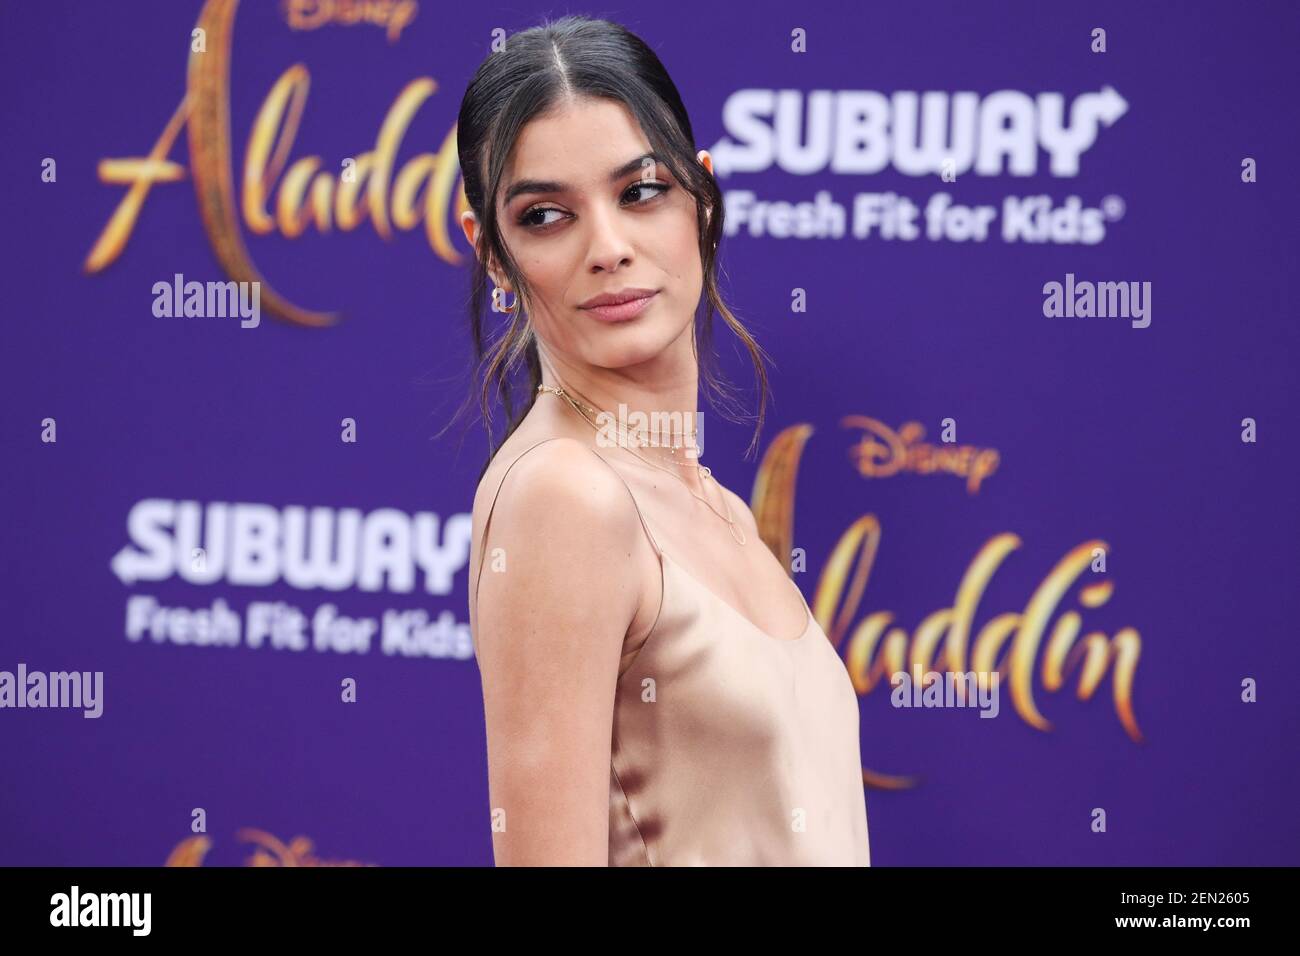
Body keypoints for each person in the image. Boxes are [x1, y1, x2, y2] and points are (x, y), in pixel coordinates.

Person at [455, 14, 870, 866]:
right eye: (544, 215)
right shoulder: (562, 498)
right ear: (491, 254)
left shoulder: (716, 509)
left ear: (703, 200)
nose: (608, 248)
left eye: (640, 192)